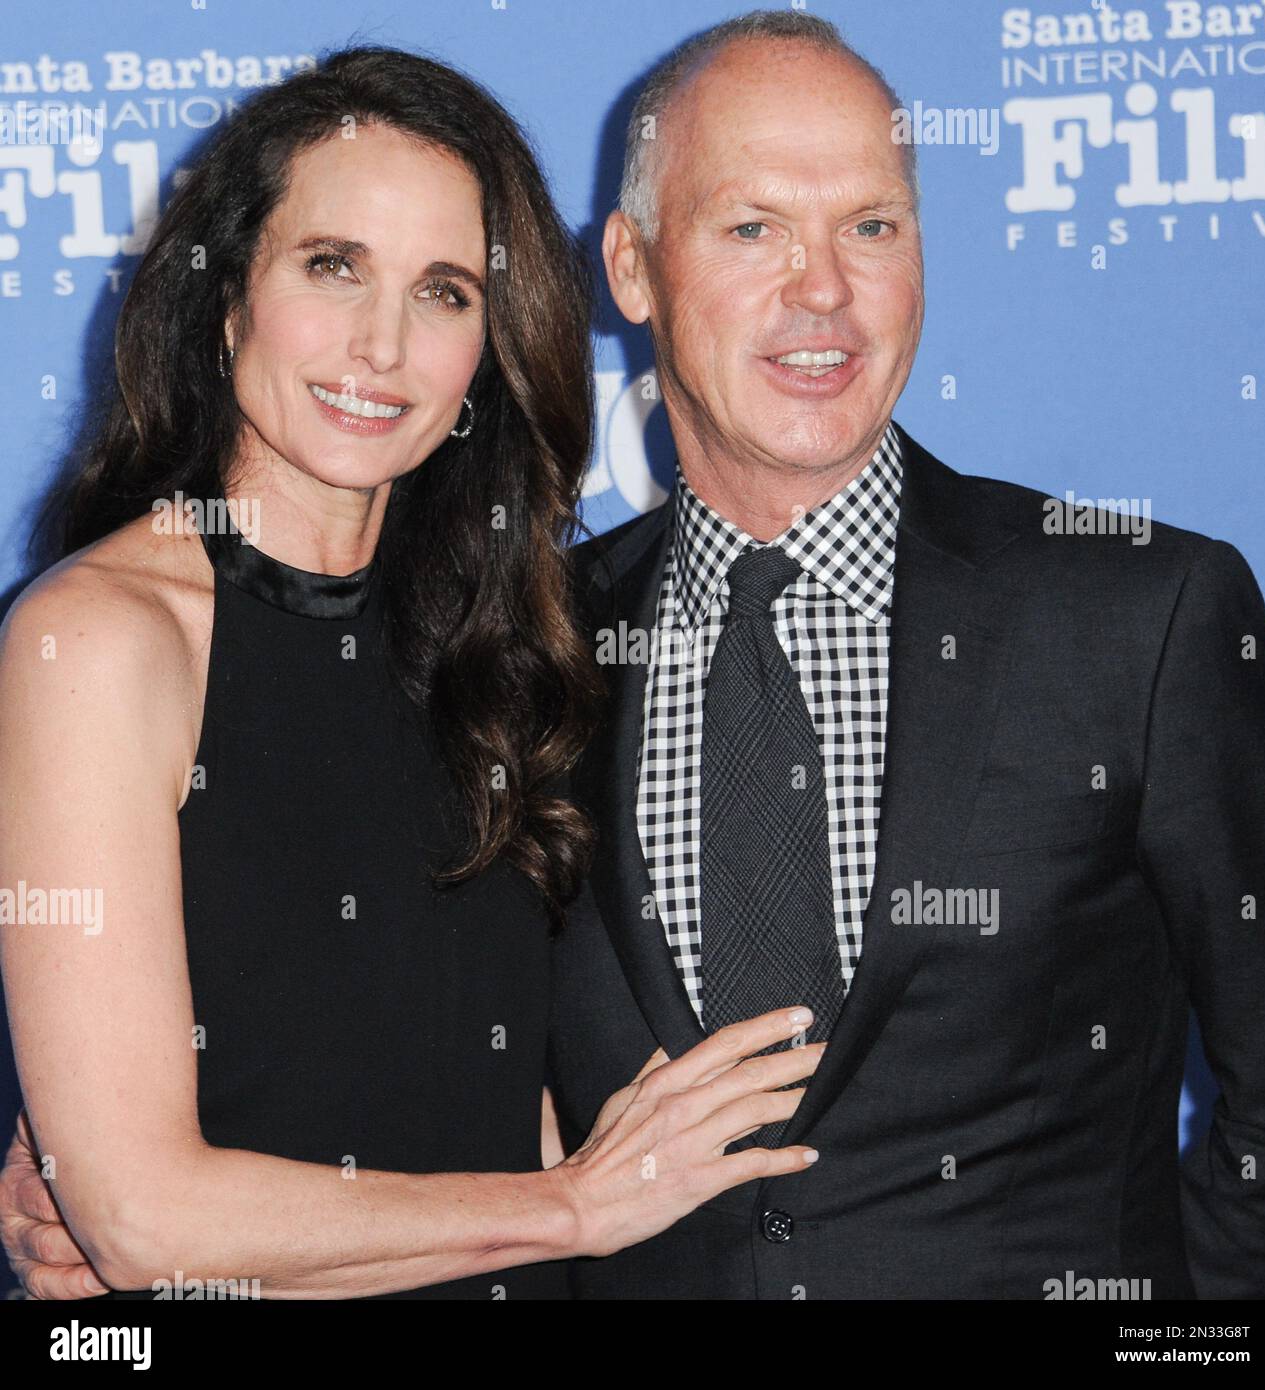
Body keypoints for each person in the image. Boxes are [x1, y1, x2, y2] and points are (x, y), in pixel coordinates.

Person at [0, 43, 822, 1301]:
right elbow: (144, 1220)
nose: (379, 344)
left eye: (444, 292)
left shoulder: (502, 635)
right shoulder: (103, 640)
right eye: (333, 267)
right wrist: (569, 1206)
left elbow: (483, 1076)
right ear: (228, 300)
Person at [541, 12, 1265, 1298]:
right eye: (751, 227)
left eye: (872, 226)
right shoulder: (529, 645)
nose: (822, 288)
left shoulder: (1143, 613)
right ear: (631, 265)